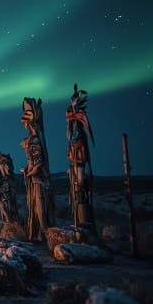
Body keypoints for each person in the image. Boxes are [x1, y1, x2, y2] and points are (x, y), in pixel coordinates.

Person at [20, 97, 55, 241]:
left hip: (38, 179)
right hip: (35, 178)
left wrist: (30, 171)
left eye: (25, 121)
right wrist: (28, 169)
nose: (23, 123)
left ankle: (45, 232)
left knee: (40, 206)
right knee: (34, 205)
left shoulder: (34, 141)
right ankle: (39, 233)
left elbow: (38, 162)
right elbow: (34, 162)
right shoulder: (33, 140)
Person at [66, 84, 96, 231]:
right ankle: (80, 222)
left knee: (81, 187)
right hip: (75, 159)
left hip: (79, 160)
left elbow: (80, 146)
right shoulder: (72, 130)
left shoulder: (79, 131)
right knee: (77, 187)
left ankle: (85, 225)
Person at [0, 152, 19, 224]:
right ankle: (8, 224)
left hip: (7, 195)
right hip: (2, 194)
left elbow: (8, 187)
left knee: (8, 208)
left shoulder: (7, 177)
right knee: (3, 208)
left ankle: (11, 224)